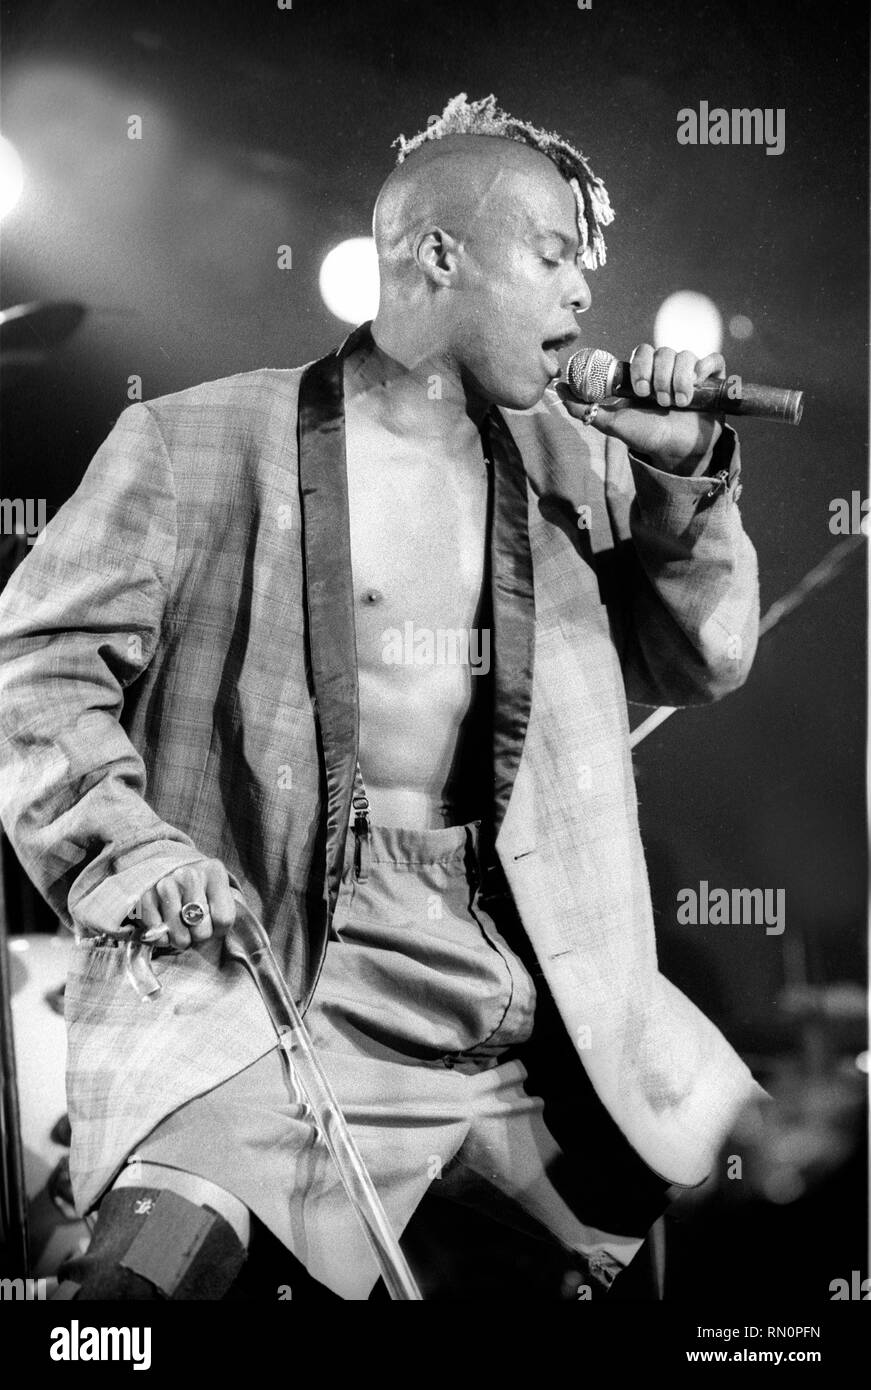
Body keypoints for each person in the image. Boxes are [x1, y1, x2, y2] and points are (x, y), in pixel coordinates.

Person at [0, 93, 764, 1300]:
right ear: (438, 255)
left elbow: (705, 660)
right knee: (131, 1301)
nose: (582, 293)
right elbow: (32, 677)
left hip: (531, 1001)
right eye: (553, 254)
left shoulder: (582, 466)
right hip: (286, 988)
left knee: (785, 1216)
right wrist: (132, 852)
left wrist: (683, 478)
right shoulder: (195, 441)